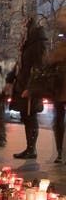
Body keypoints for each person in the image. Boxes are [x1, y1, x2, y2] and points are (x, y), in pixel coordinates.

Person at [6, 16, 48, 160]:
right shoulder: (27, 45)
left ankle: (32, 149)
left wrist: (31, 88)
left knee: (31, 116)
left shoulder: (37, 44)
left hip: (30, 88)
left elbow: (38, 68)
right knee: (26, 116)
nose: (22, 29)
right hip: (22, 85)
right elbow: (20, 65)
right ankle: (29, 148)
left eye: (24, 25)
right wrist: (10, 79)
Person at [45, 27, 66, 162]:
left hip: (59, 91)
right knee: (58, 122)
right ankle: (60, 152)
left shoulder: (59, 49)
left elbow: (49, 65)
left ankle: (60, 152)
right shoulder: (59, 49)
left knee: (58, 122)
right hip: (59, 90)